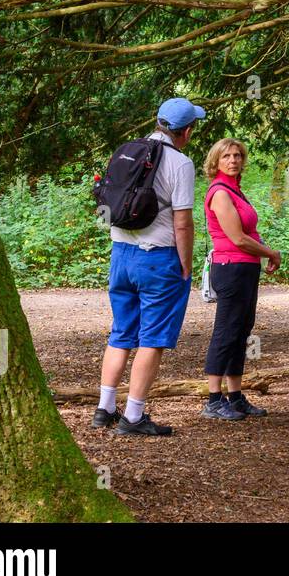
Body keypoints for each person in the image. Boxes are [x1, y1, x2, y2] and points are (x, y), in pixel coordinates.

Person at [93, 97, 204, 437]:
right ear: (185, 131)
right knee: (152, 339)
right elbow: (182, 222)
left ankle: (105, 408)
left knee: (122, 332)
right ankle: (134, 415)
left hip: (120, 254)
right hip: (158, 259)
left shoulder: (125, 150)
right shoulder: (180, 163)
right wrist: (186, 264)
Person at [201, 138, 281, 420]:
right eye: (226, 156)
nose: (233, 160)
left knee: (241, 331)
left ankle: (234, 396)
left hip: (246, 268)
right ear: (216, 161)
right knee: (225, 330)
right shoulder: (220, 192)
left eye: (237, 155)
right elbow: (237, 238)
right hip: (231, 267)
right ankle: (213, 399)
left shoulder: (236, 190)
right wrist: (271, 252)